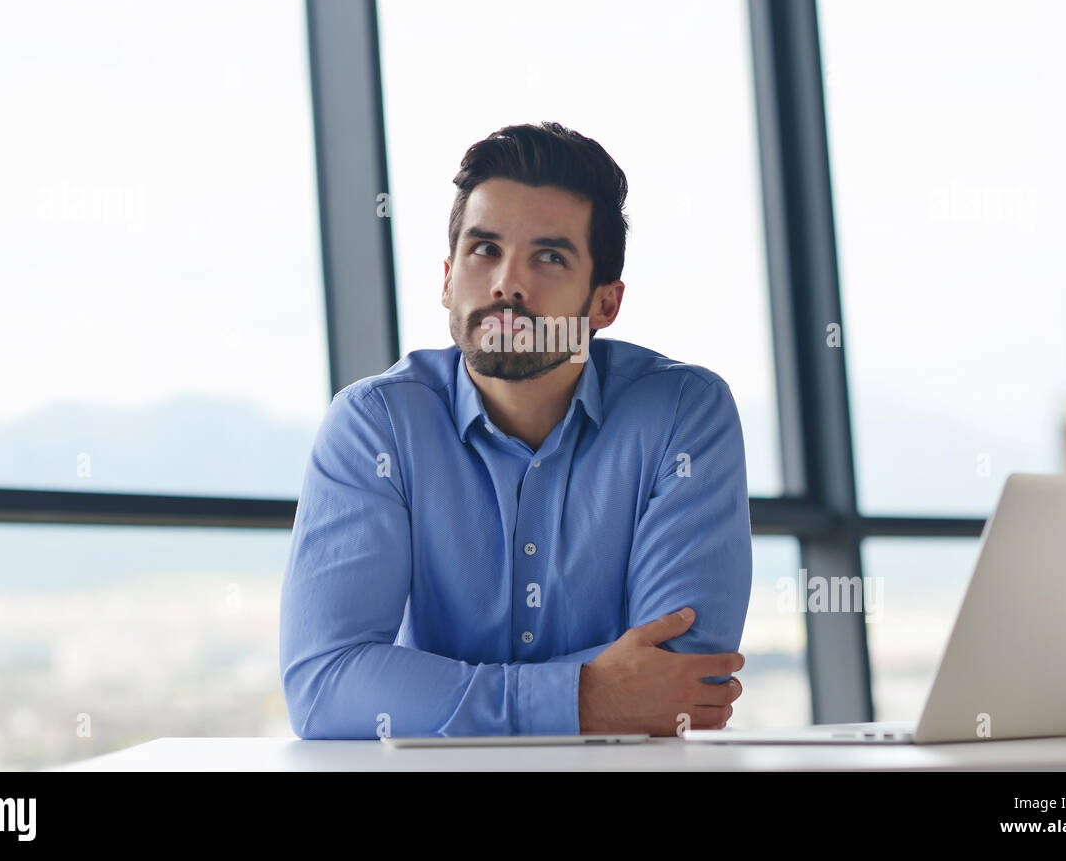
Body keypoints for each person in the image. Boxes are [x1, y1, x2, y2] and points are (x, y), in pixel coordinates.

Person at [280, 121, 751, 738]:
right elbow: (326, 688)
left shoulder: (684, 414)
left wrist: (432, 692)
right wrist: (582, 699)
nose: (508, 284)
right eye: (485, 250)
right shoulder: (377, 427)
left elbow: (681, 683)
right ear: (448, 277)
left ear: (604, 303)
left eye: (550, 257)